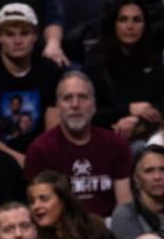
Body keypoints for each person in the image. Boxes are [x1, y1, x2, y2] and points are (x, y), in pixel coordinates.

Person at [24, 73, 133, 223]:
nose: (75, 105)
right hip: (61, 231)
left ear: (94, 105)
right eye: (67, 98)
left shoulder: (116, 144)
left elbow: (124, 206)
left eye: (82, 97)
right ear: (58, 108)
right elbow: (40, 210)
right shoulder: (40, 150)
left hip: (108, 230)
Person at [0, 3, 60, 163]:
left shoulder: (49, 71)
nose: (17, 41)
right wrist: (19, 160)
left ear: (35, 36)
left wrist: (39, 159)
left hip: (41, 153)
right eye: (10, 34)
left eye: (24, 34)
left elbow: (53, 129)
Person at [84, 0, 164, 143]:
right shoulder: (96, 60)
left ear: (145, 25)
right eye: (123, 19)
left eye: (137, 20)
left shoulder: (153, 58)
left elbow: (160, 103)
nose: (130, 26)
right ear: (113, 24)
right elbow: (89, 113)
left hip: (149, 132)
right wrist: (128, 110)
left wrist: (137, 120)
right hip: (107, 135)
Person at [110, 144, 164, 239]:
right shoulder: (125, 215)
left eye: (162, 170)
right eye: (149, 171)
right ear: (136, 178)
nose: (157, 177)